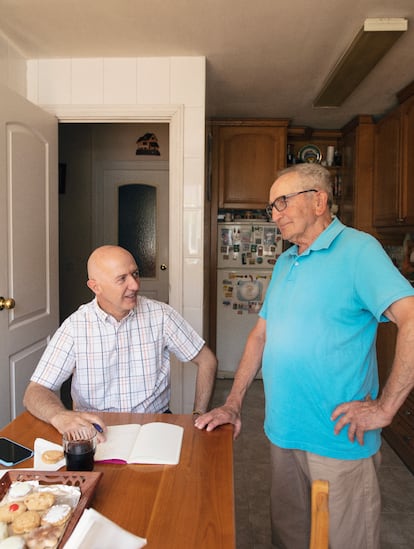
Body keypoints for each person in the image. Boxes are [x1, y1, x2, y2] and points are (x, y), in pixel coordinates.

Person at [195, 163, 414, 549]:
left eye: (281, 202)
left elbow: (411, 317)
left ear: (318, 201)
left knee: (347, 542)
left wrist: (385, 408)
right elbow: (261, 335)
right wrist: (233, 403)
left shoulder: (360, 250)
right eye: (271, 207)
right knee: (290, 538)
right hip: (283, 431)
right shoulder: (284, 261)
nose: (274, 214)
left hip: (338, 439)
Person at [24, 245, 217, 441]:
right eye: (122, 279)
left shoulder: (161, 316)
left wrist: (198, 415)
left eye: (135, 274)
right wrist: (59, 416)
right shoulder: (75, 327)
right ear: (95, 287)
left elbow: (207, 360)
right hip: (97, 430)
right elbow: (35, 392)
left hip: (155, 425)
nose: (134, 285)